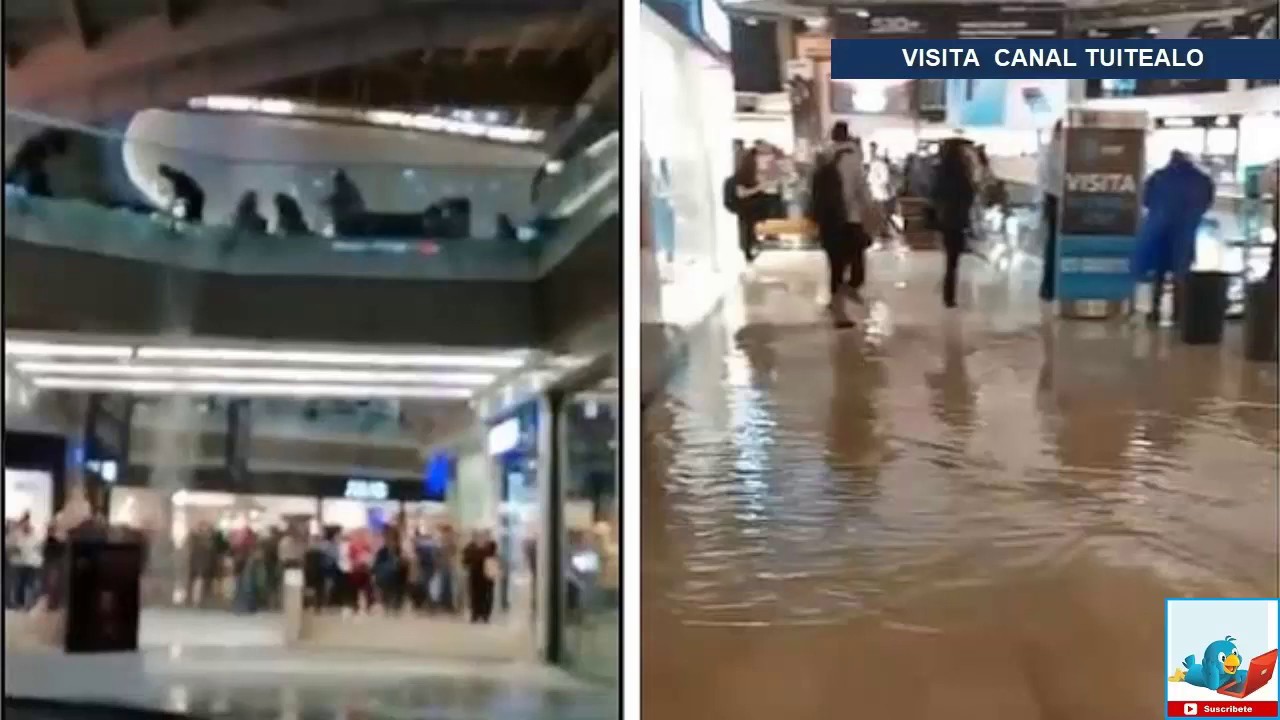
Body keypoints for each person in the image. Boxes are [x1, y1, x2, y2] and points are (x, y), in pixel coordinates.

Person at [1135, 150, 1215, 324]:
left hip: (1160, 230)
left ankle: (1155, 312)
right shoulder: (1201, 179)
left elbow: (1145, 200)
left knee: (1159, 272)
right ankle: (1179, 314)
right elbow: (1207, 201)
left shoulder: (1158, 177)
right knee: (1181, 273)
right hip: (1185, 231)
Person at [811, 121, 875, 324]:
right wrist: (870, 211)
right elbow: (861, 188)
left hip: (829, 219)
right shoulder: (853, 156)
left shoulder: (823, 156)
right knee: (857, 265)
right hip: (850, 219)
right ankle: (846, 294)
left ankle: (837, 307)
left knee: (835, 266)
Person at [931, 138, 978, 309]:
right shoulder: (962, 171)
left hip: (946, 219)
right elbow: (969, 194)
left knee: (951, 259)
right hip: (958, 219)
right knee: (953, 260)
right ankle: (948, 294)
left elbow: (934, 194)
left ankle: (948, 292)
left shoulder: (941, 171)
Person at [1037, 121, 1064, 302]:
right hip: (1057, 199)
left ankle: (1049, 287)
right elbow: (1063, 174)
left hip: (1050, 198)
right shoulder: (1058, 149)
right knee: (1055, 244)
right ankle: (1050, 288)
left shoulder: (1049, 149)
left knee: (1052, 243)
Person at [731, 148, 768, 263]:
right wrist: (758, 188)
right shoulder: (741, 175)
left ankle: (752, 246)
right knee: (747, 228)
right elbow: (741, 193)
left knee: (749, 229)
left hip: (751, 208)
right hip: (746, 208)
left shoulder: (753, 174)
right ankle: (749, 251)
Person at [462, 530, 498, 623]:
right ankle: (475, 613)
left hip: (487, 575)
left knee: (487, 595)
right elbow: (466, 561)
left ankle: (485, 614)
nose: (481, 538)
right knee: (475, 595)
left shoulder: (491, 546)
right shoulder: (470, 547)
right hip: (475, 575)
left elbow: (493, 557)